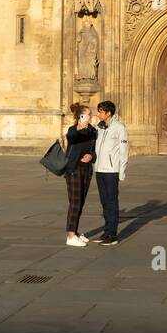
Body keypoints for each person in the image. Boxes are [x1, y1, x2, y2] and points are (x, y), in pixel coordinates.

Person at [91, 100, 128, 245]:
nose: (98, 114)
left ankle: (112, 235)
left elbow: (124, 152)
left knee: (112, 202)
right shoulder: (98, 128)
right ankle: (106, 232)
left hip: (112, 171)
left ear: (108, 113)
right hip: (99, 169)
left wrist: (122, 172)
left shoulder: (119, 128)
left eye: (100, 111)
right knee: (104, 202)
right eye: (98, 111)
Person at [64, 102, 96, 246]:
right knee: (75, 202)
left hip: (86, 170)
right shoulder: (73, 130)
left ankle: (75, 232)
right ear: (80, 116)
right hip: (74, 169)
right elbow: (72, 138)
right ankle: (70, 236)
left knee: (80, 202)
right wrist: (79, 128)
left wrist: (91, 156)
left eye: (90, 114)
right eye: (88, 114)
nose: (90, 116)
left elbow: (94, 150)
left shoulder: (92, 131)